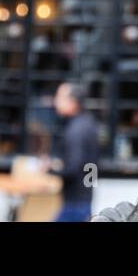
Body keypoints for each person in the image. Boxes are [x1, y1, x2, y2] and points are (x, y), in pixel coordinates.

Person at [48, 81, 99, 222]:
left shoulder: (76, 130)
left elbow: (73, 167)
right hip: (84, 196)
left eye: (60, 97)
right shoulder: (88, 123)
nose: (56, 101)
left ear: (73, 102)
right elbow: (92, 164)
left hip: (75, 200)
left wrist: (50, 169)